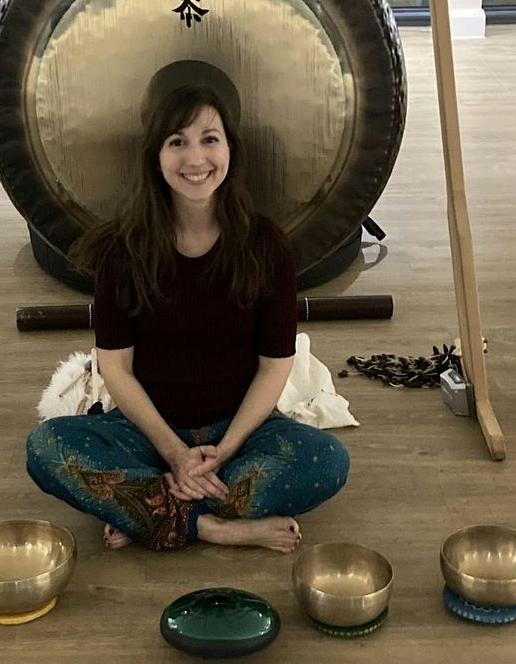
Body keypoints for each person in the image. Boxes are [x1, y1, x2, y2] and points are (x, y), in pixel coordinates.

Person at [25, 85, 349, 552]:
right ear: (155, 156)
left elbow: (275, 364)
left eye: (209, 139)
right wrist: (174, 453)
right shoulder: (123, 250)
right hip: (147, 434)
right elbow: (115, 367)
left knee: (327, 461)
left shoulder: (267, 246)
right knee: (44, 447)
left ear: (230, 148)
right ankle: (211, 526)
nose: (195, 158)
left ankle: (147, 511)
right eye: (177, 141)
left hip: (238, 430)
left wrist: (228, 448)